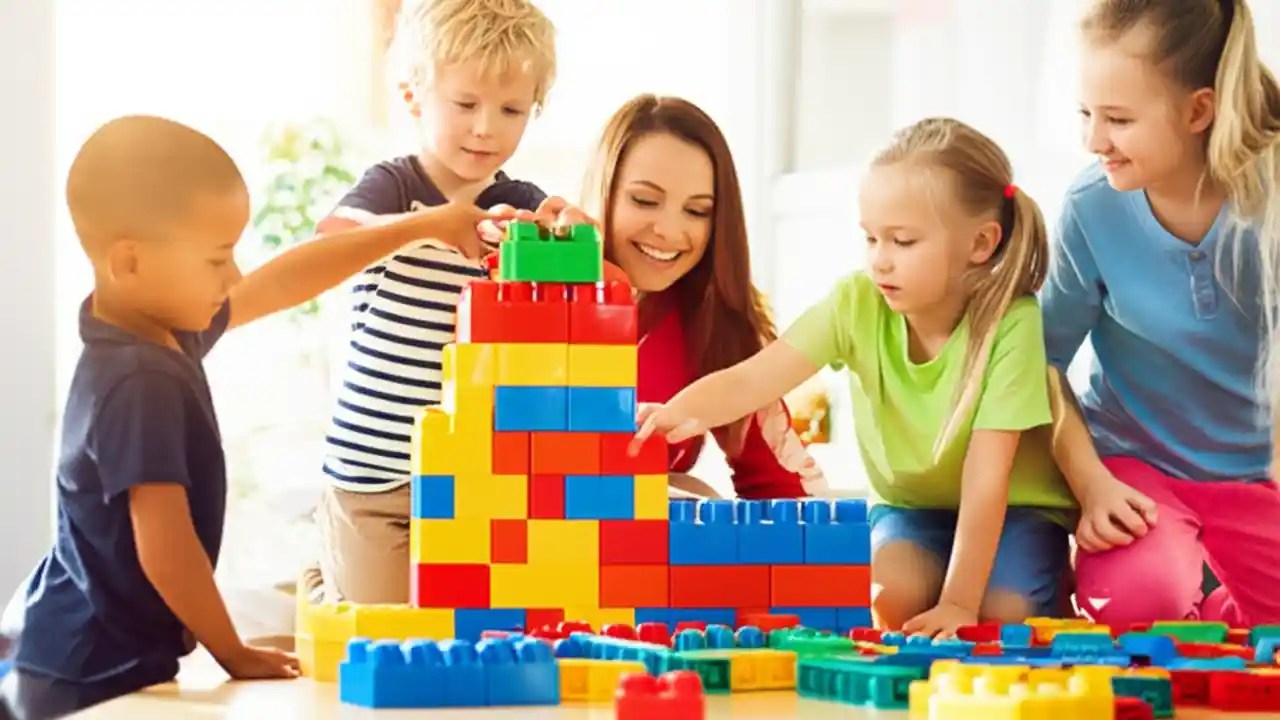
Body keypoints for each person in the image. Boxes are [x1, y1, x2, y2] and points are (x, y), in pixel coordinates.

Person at [0, 114, 493, 719]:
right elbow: (166, 543)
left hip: (85, 656)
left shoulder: (158, 334)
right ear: (128, 263)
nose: (233, 276)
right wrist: (230, 650)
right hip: (81, 675)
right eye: (216, 260)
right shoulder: (137, 380)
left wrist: (424, 226)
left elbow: (285, 281)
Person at [632, 117, 1076, 638]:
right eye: (870, 238)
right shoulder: (856, 302)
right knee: (893, 605)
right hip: (912, 510)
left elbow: (987, 478)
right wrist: (677, 413)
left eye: (903, 242)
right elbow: (753, 380)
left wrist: (959, 601)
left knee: (1001, 616)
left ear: (980, 244)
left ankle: (1030, 586)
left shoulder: (1011, 321)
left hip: (1014, 513)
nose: (879, 262)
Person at [1045, 0, 1280, 627]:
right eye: (1087, 114)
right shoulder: (1092, 208)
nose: (1095, 140)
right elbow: (1038, 360)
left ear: (1198, 110)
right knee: (1140, 608)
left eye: (1118, 119)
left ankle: (1222, 613)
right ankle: (1189, 598)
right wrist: (1090, 480)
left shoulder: (1270, 203)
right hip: (1136, 470)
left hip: (1260, 477)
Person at [312, 0, 556, 605]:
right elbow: (329, 245)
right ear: (415, 95)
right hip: (372, 479)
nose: (486, 128)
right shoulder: (393, 185)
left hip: (471, 479)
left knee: (456, 636)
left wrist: (569, 228)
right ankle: (324, 581)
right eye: (466, 104)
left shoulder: (522, 201)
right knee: (382, 633)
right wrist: (431, 226)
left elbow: (599, 286)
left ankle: (328, 577)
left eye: (511, 110)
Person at [514, 94, 828, 501]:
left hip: (636, 549)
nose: (669, 230)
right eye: (645, 200)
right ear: (603, 189)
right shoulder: (535, 285)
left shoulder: (714, 325)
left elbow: (783, 485)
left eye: (697, 211)